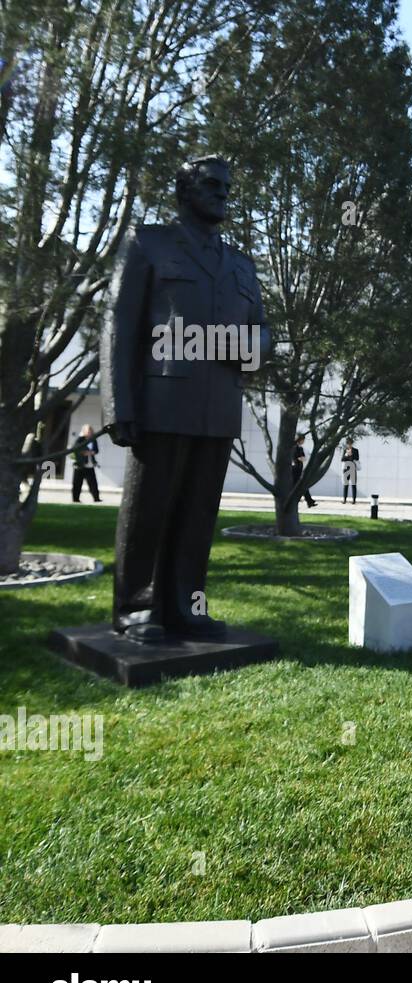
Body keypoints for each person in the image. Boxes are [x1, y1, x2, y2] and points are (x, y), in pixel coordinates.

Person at [100, 154, 270, 640]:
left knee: (199, 516)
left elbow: (261, 333)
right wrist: (118, 406)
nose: (222, 194)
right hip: (161, 403)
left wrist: (247, 349)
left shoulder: (241, 263)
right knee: (148, 509)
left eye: (226, 187)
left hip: (218, 406)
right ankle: (137, 608)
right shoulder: (148, 244)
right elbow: (118, 325)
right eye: (213, 185)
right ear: (185, 192)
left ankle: (186, 607)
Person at [70, 424, 102, 503]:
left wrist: (91, 452)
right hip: (80, 464)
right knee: (77, 483)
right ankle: (75, 499)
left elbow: (96, 450)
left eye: (90, 431)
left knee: (93, 483)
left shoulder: (93, 440)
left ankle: (96, 498)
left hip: (90, 464)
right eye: (88, 431)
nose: (90, 433)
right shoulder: (80, 439)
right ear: (84, 432)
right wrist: (84, 452)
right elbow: (75, 449)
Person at [292, 433, 316, 509]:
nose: (304, 441)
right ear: (300, 440)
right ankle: (309, 501)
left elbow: (303, 458)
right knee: (300, 485)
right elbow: (299, 458)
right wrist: (301, 458)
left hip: (299, 468)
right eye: (303, 440)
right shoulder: (295, 448)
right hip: (295, 469)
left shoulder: (300, 448)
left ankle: (309, 501)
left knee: (301, 486)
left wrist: (302, 458)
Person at [340, 438, 359, 504]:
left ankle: (354, 500)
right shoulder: (345, 450)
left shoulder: (356, 450)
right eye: (348, 443)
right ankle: (344, 499)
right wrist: (346, 455)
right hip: (346, 468)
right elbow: (342, 459)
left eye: (350, 443)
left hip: (353, 468)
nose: (349, 445)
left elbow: (357, 458)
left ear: (352, 443)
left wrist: (351, 455)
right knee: (346, 485)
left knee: (353, 484)